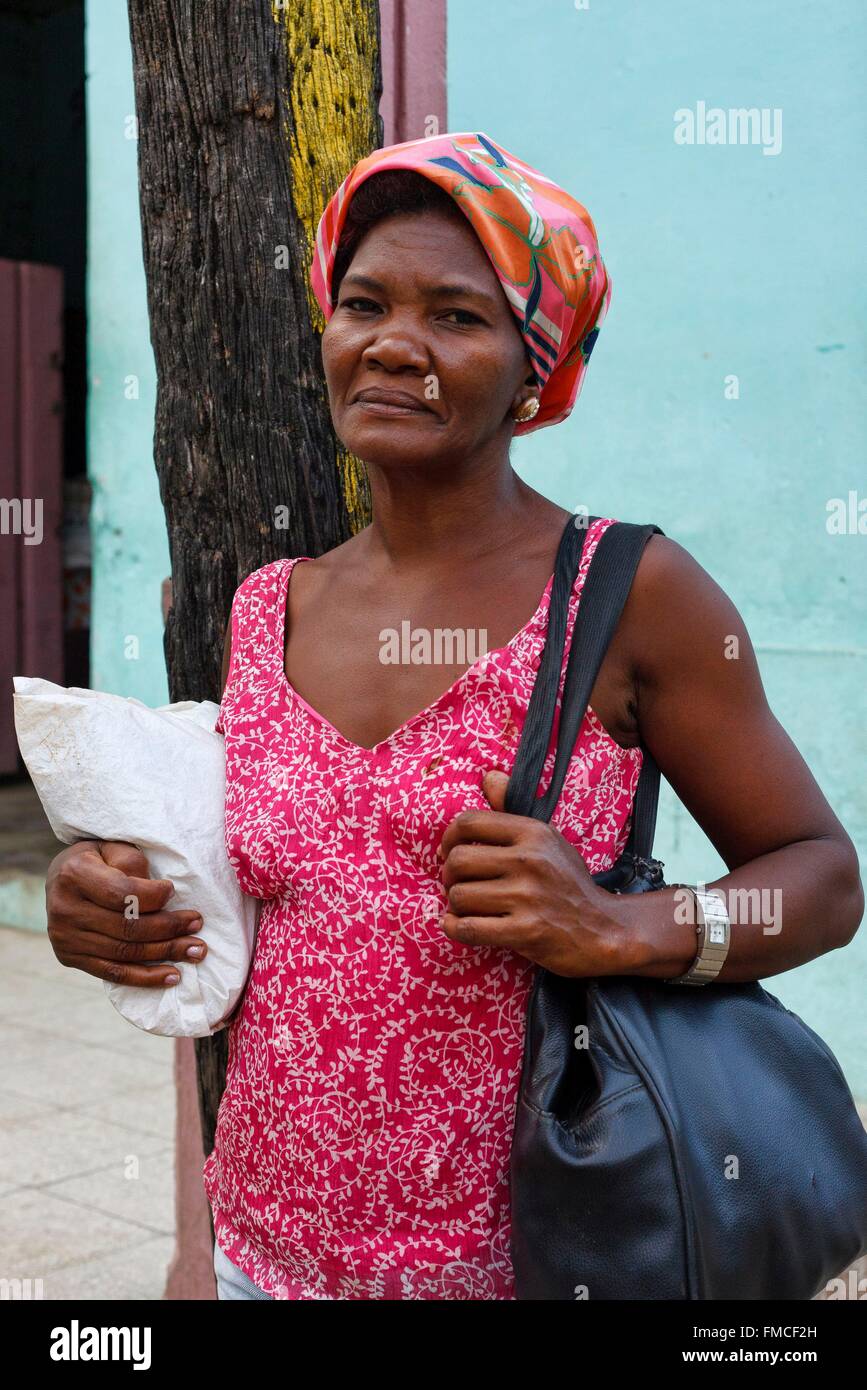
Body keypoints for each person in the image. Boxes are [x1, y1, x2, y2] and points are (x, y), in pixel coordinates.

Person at [45, 131, 863, 1301]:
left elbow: (823, 877)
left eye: (458, 317)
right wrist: (111, 901)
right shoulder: (275, 606)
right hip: (264, 1261)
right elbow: (256, 897)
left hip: (528, 1268)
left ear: (537, 368)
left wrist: (622, 925)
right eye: (364, 301)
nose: (394, 343)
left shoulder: (628, 595)